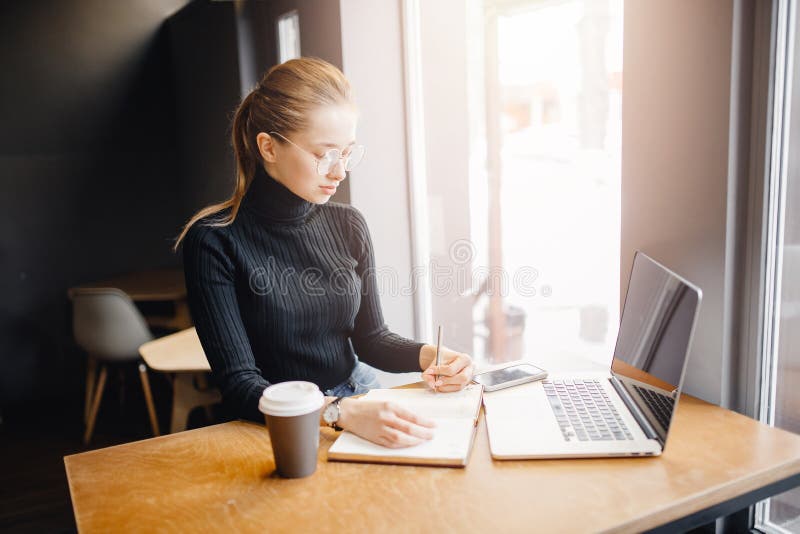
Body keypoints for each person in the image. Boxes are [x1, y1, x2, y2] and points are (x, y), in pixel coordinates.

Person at [175, 57, 474, 448]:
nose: (340, 172)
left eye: (348, 153)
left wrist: (433, 355)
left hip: (360, 396)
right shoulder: (214, 241)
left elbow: (372, 338)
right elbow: (240, 385)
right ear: (268, 147)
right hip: (281, 422)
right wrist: (338, 412)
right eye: (325, 154)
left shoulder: (348, 224)